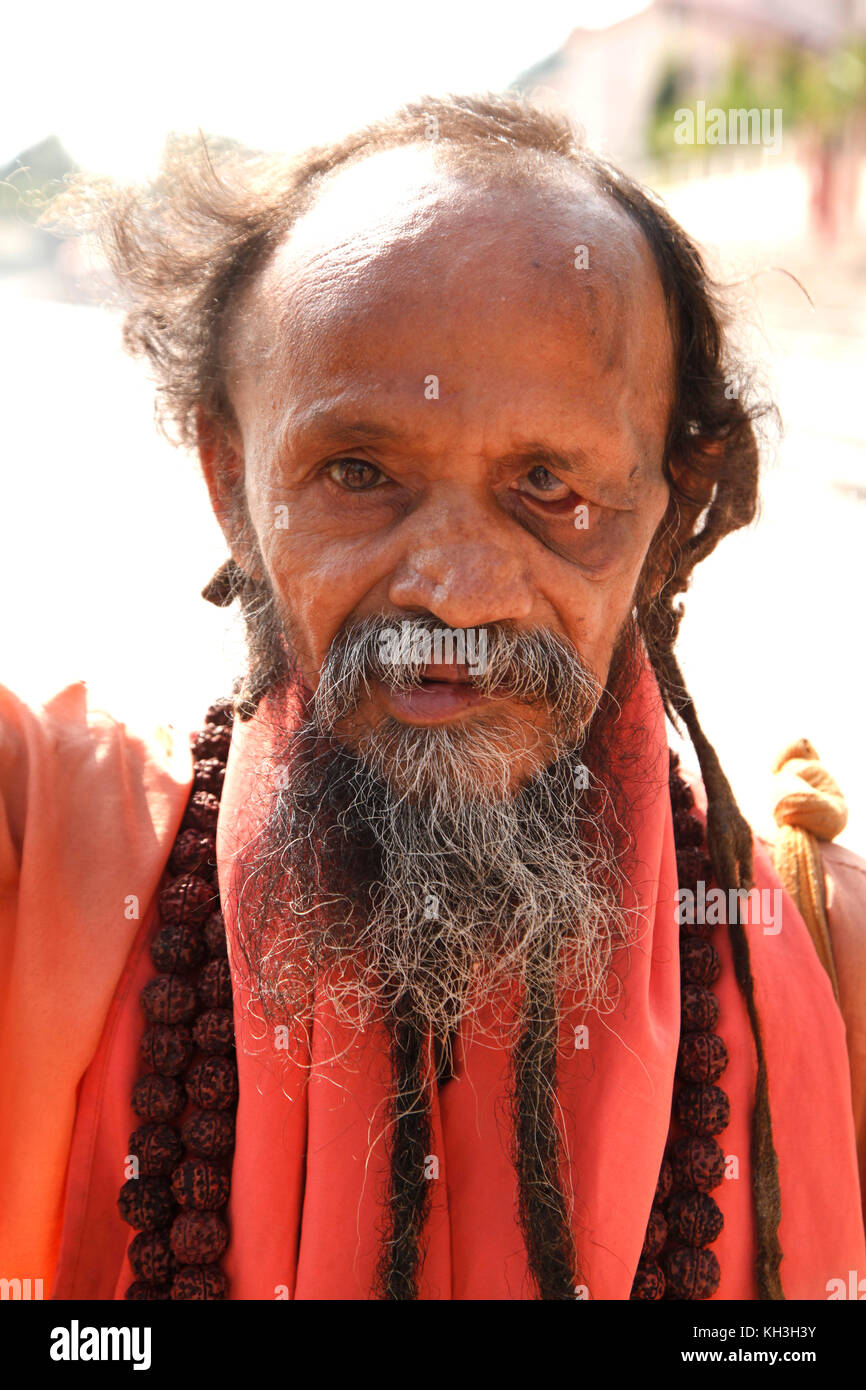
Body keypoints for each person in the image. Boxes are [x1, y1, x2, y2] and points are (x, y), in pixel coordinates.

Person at [1, 93, 864, 1302]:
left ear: (672, 502)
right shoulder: (54, 860)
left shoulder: (827, 962)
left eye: (549, 483)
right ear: (229, 486)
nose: (456, 595)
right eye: (357, 472)